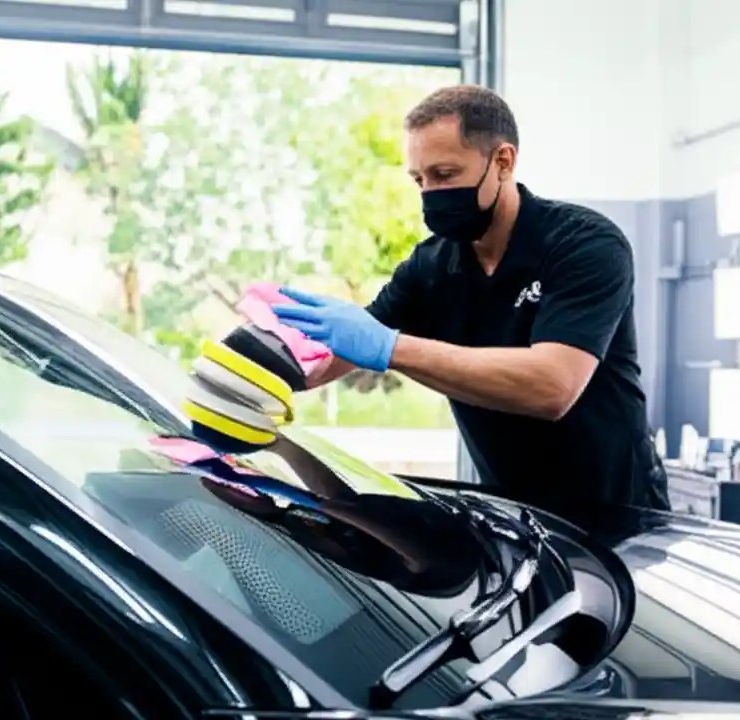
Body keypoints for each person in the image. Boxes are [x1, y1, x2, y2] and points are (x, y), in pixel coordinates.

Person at [273, 84, 669, 521]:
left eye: (444, 175)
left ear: (503, 161)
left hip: (617, 515)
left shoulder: (584, 244)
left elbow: (552, 387)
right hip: (516, 513)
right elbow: (335, 353)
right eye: (419, 180)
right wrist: (257, 367)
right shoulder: (430, 266)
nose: (430, 193)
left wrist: (390, 348)